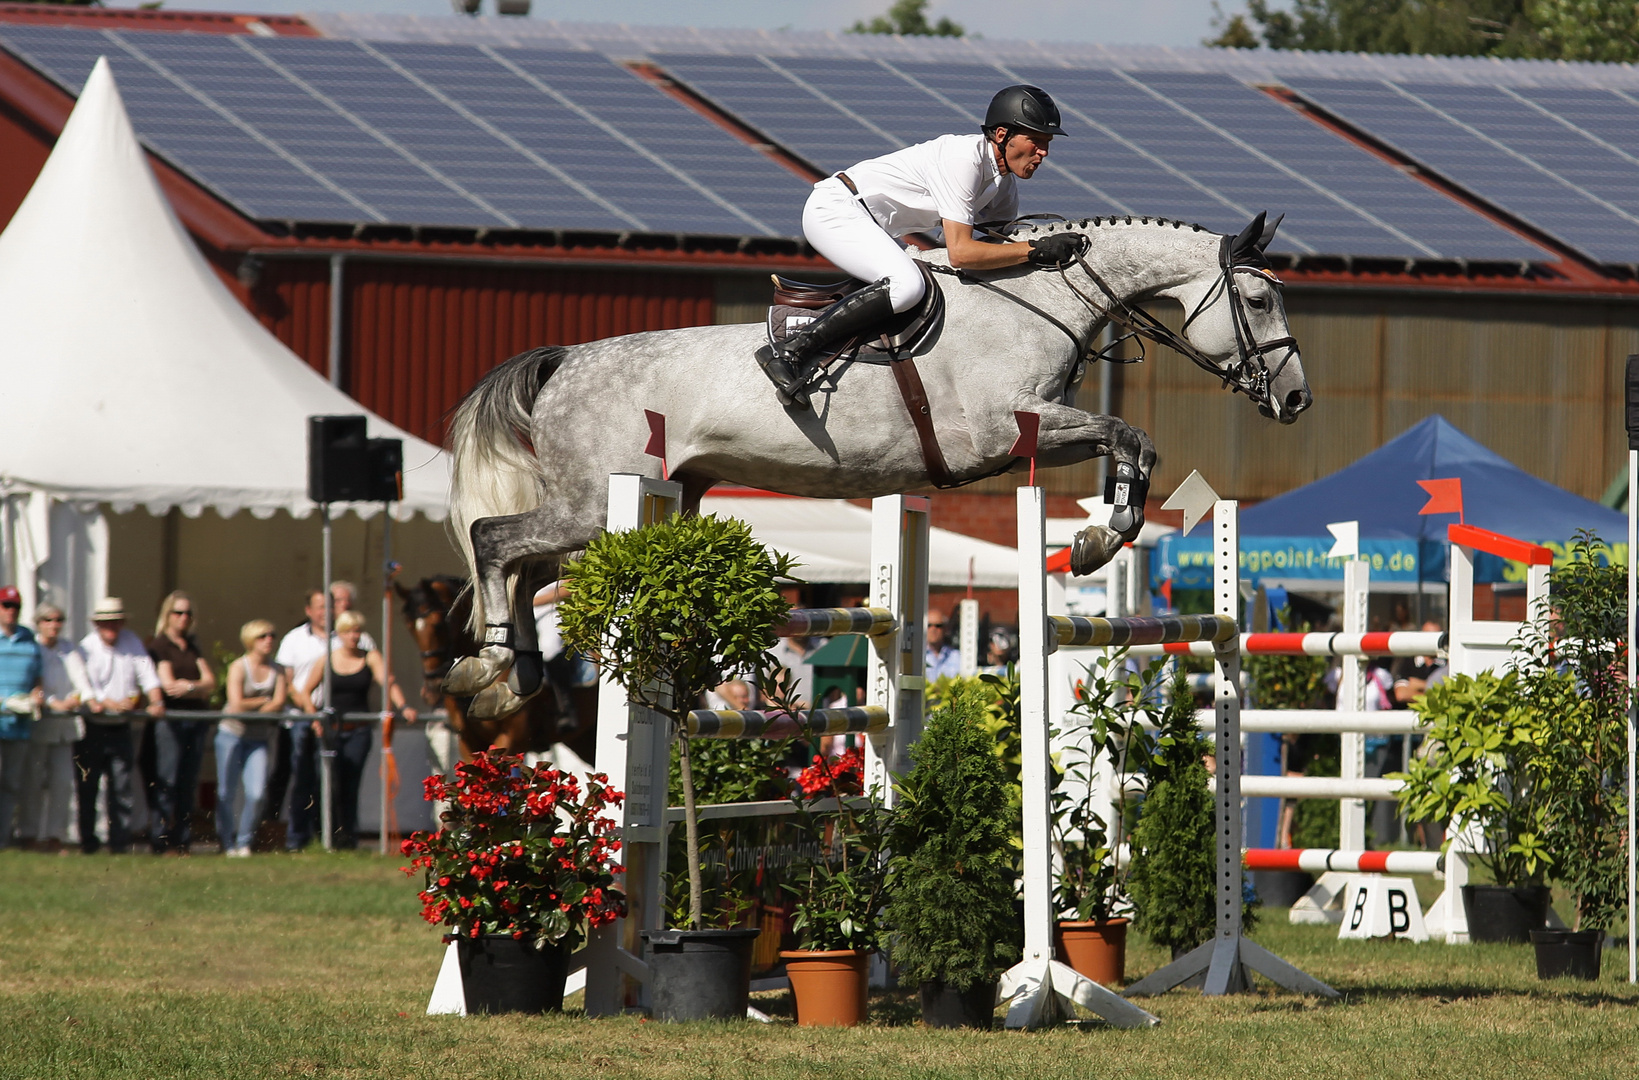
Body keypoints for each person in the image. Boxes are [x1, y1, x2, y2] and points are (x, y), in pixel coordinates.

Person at [757, 84, 1079, 407]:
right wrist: (1034, 249)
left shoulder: (1004, 186)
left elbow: (996, 252)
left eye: (1047, 144)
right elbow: (962, 253)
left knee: (926, 284)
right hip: (835, 209)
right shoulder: (964, 159)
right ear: (1000, 135)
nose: (1044, 153)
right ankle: (791, 351)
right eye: (1035, 141)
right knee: (908, 285)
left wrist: (1041, 257)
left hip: (870, 223)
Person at [294, 610, 415, 850]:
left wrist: (404, 706)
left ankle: (349, 838)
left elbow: (387, 682)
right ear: (339, 634)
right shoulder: (327, 658)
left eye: (357, 631)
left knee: (351, 784)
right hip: (331, 732)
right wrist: (315, 718)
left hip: (358, 731)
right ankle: (324, 836)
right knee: (327, 783)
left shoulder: (370, 657)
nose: (354, 636)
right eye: (349, 631)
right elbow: (305, 691)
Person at [273, 586, 374, 850]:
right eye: (319, 606)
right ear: (309, 610)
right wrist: (311, 712)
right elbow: (289, 683)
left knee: (333, 784)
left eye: (329, 606)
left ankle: (329, 837)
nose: (324, 611)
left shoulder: (346, 636)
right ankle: (296, 840)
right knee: (303, 781)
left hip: (332, 722)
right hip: (302, 720)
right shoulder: (294, 639)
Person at [78, 598, 163, 854]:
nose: (111, 627)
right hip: (92, 726)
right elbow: (84, 686)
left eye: (115, 621)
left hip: (121, 727)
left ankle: (119, 843)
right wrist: (109, 703)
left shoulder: (132, 642)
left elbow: (147, 675)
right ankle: (89, 843)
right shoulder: (86, 648)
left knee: (122, 787)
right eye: (105, 622)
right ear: (96, 624)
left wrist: (156, 700)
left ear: (122, 622)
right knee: (88, 786)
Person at [146, 591, 216, 854]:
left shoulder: (192, 644)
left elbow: (211, 683)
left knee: (188, 783)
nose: (184, 618)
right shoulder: (160, 645)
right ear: (167, 615)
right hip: (171, 722)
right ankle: (160, 839)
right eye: (178, 612)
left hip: (195, 721)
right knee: (167, 780)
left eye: (188, 613)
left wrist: (189, 687)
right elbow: (168, 686)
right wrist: (194, 687)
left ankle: (183, 839)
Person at [20, 605, 90, 853]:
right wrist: (52, 702)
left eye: (59, 619)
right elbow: (30, 684)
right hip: (40, 725)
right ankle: (28, 834)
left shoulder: (69, 649)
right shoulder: (32, 648)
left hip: (65, 726)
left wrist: (76, 698)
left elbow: (82, 681)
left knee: (62, 783)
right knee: (33, 782)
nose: (54, 624)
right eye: (48, 620)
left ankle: (55, 836)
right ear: (39, 622)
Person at [218, 620, 288, 857]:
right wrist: (263, 702)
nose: (269, 640)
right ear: (250, 640)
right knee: (225, 792)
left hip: (259, 738)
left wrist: (256, 706)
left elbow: (279, 703)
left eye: (272, 635)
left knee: (257, 793)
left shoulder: (278, 670)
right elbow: (236, 705)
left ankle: (244, 841)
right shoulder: (239, 667)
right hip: (231, 734)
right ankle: (226, 842)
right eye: (262, 636)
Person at [0, 585, 42, 846]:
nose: (11, 611)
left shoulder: (28, 638)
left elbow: (38, 677)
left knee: (12, 783)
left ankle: (3, 839)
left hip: (20, 723)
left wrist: (36, 694)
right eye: (6, 605)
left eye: (15, 606)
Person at [924, 611, 961, 682]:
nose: (933, 629)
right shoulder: (917, 657)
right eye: (929, 625)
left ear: (946, 629)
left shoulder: (957, 656)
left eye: (938, 626)